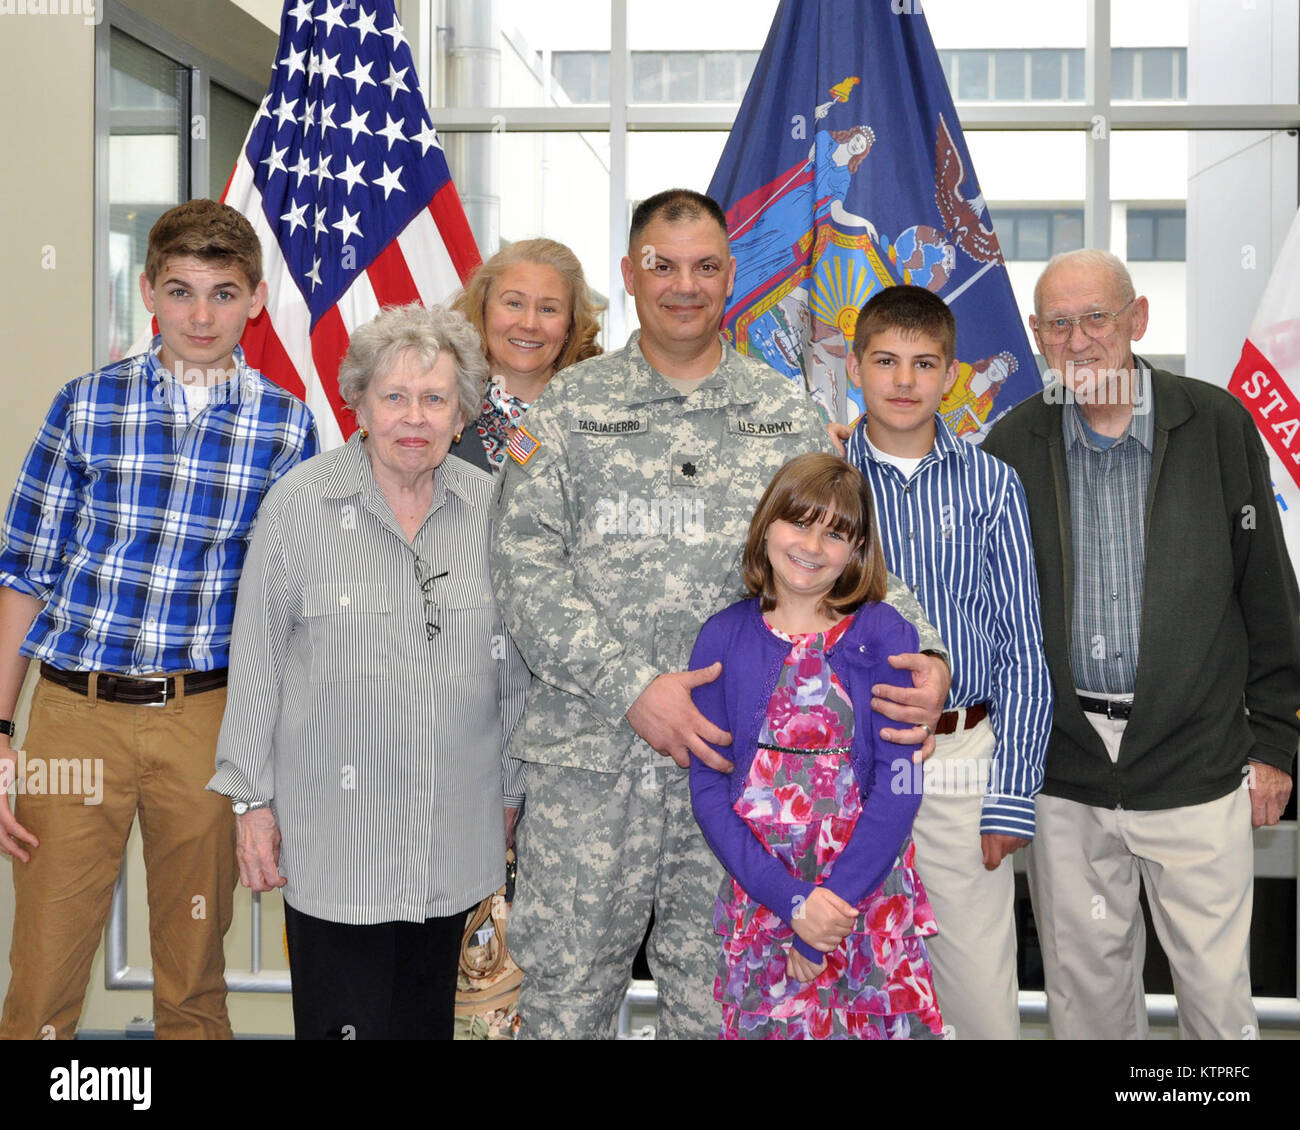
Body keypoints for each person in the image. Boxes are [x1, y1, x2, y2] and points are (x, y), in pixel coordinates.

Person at [492, 188, 951, 1040]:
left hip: (749, 780)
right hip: (594, 765)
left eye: (706, 267)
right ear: (630, 275)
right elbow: (522, 571)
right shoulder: (567, 410)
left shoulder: (782, 412)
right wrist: (633, 686)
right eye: (662, 266)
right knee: (563, 1001)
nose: (683, 286)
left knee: (727, 1007)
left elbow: (846, 545)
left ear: (732, 277)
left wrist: (926, 652)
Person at [0, 199, 319, 1040]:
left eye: (223, 293)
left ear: (255, 298)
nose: (201, 315)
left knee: (192, 974)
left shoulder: (286, 427)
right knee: (42, 971)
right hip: (72, 720)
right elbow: (23, 571)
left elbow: (291, 607)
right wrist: (0, 729)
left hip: (205, 724)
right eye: (181, 291)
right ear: (148, 292)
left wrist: (274, 761)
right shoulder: (86, 405)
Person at [982, 248, 1300, 1040]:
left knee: (1215, 1000)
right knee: (1085, 1001)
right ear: (1036, 334)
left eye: (1097, 317)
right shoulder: (1013, 442)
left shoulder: (1217, 424)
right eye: (1058, 323)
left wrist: (1277, 744)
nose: (1079, 340)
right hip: (1068, 773)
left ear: (1138, 320)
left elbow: (1269, 596)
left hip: (1198, 765)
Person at [209, 303, 529, 1040]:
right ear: (358, 403)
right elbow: (254, 660)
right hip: (334, 844)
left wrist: (511, 794)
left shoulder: (497, 510)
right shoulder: (298, 506)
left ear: (463, 414)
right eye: (394, 397)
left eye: (435, 398)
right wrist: (250, 804)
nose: (413, 417)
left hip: (458, 843)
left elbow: (517, 671)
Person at [844, 285, 1052, 1040]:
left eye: (924, 363)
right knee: (852, 980)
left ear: (950, 372)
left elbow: (1022, 646)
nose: (904, 381)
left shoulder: (992, 483)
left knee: (980, 999)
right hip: (844, 763)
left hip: (961, 759)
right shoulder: (820, 476)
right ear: (856, 367)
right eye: (887, 361)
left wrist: (1011, 792)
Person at [689, 453, 944, 1040]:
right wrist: (795, 905)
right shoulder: (722, 635)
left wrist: (829, 909)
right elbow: (708, 790)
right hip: (766, 898)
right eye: (799, 523)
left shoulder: (886, 634)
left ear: (856, 551)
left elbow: (900, 787)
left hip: (865, 902)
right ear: (767, 527)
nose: (812, 545)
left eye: (836, 534)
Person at [448, 238, 604, 472]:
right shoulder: (439, 406)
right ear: (482, 310)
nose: (529, 324)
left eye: (548, 309)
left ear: (571, 324)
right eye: (514, 303)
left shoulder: (605, 416)